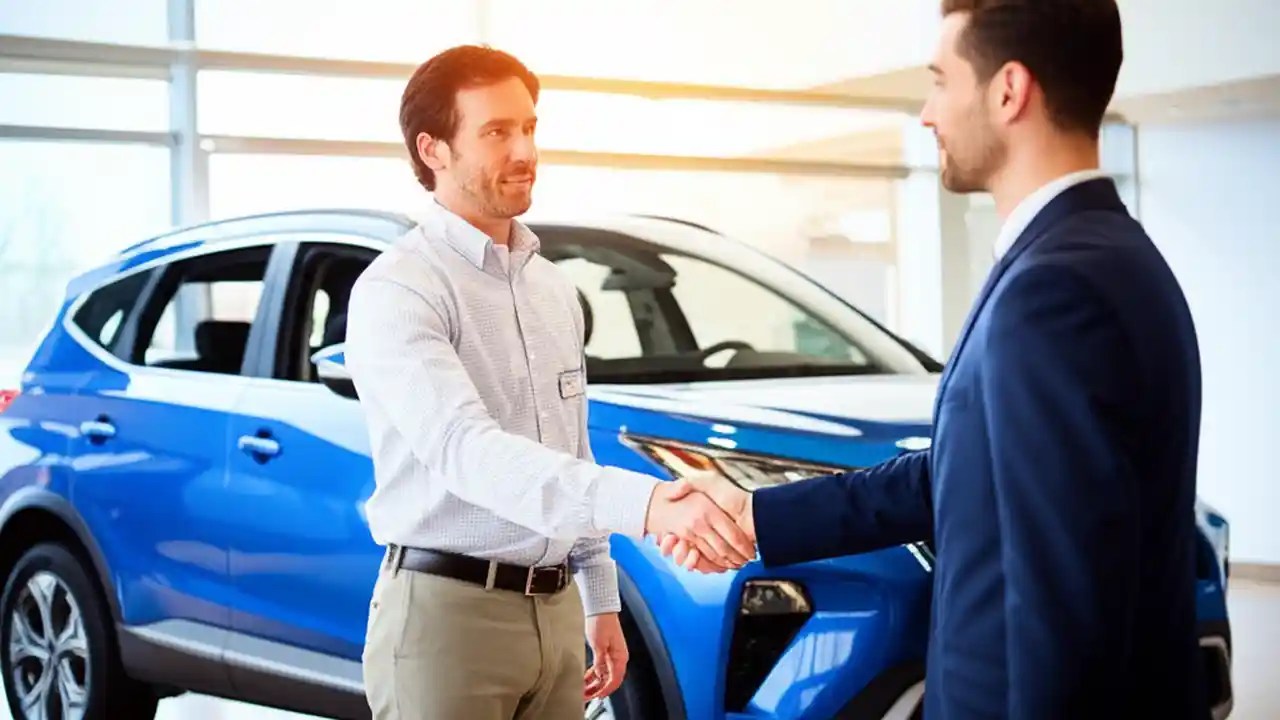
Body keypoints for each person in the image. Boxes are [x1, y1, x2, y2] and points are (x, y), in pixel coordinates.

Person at [662, 1, 1210, 717]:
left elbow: (1065, 598)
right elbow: (965, 474)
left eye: (940, 82)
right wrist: (759, 515)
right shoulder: (1106, 258)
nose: (927, 114)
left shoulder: (1054, 289)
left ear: (1008, 91)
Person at [345, 45, 754, 720]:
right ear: (434, 150)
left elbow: (568, 452)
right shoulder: (399, 289)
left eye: (529, 127)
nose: (524, 150)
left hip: (558, 615)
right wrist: (652, 504)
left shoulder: (550, 287)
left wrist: (599, 598)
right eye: (497, 132)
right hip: (449, 622)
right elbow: (466, 451)